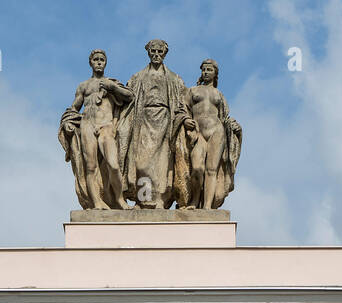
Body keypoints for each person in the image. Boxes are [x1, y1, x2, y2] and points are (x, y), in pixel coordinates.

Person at [117, 39, 190, 209]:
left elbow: (184, 100)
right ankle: (143, 199)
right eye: (153, 52)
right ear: (148, 53)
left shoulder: (174, 78)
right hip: (143, 119)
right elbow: (127, 97)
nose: (156, 55)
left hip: (165, 119)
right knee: (141, 162)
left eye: (160, 52)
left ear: (165, 54)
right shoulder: (138, 77)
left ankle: (160, 201)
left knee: (163, 163)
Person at [59, 50, 133, 210]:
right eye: (96, 59)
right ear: (90, 63)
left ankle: (120, 200)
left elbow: (129, 96)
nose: (99, 62)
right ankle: (97, 202)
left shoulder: (111, 82)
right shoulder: (84, 86)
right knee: (90, 166)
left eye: (102, 60)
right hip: (87, 124)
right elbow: (74, 107)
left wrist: (111, 87)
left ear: (105, 63)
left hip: (106, 126)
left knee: (113, 165)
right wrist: (68, 121)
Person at [184, 59, 241, 210]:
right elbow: (183, 111)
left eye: (209, 70)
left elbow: (225, 117)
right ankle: (195, 199)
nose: (206, 72)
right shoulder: (193, 91)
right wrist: (185, 121)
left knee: (211, 170)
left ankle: (207, 207)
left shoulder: (219, 94)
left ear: (215, 73)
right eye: (204, 70)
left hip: (217, 131)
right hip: (198, 131)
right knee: (197, 167)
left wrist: (235, 127)